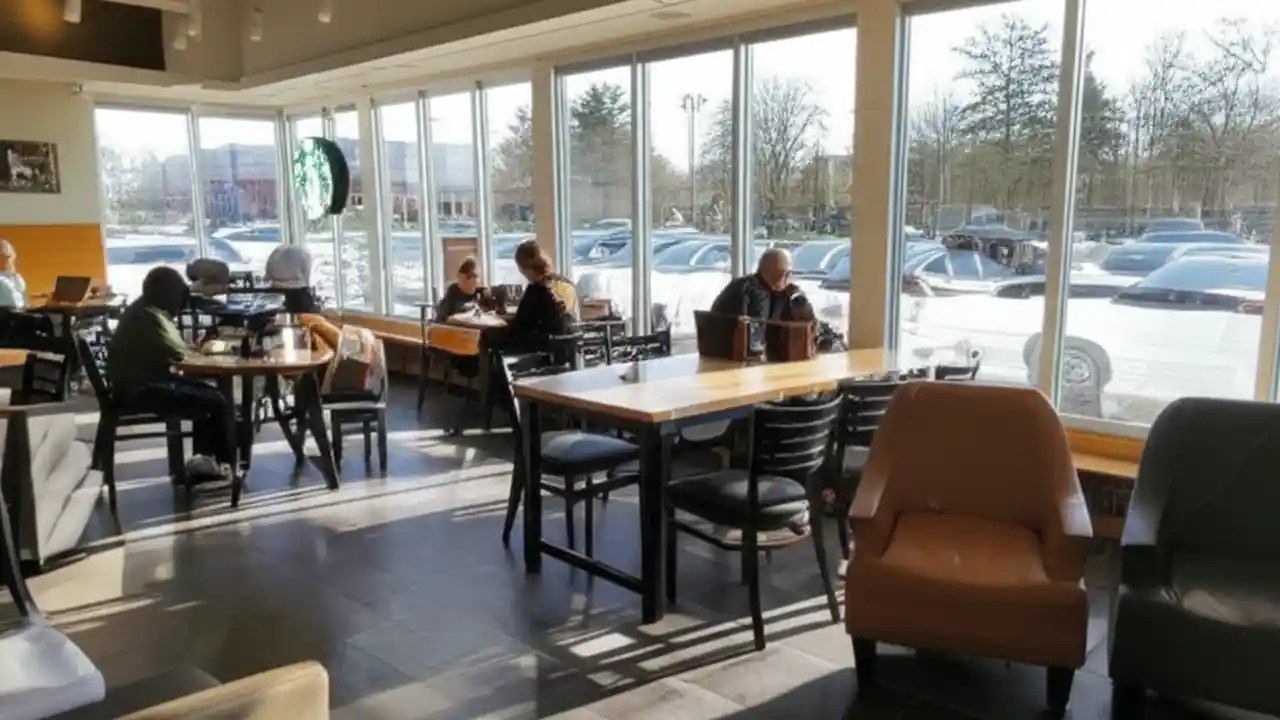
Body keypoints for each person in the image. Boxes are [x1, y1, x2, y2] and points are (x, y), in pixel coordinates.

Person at [107, 266, 234, 480]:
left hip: (135, 384)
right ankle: (226, 464)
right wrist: (218, 347)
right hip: (141, 390)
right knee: (216, 402)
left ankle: (204, 461)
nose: (181, 303)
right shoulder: (151, 318)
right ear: (165, 295)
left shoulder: (143, 310)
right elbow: (184, 356)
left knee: (209, 395)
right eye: (178, 296)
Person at [506, 240, 578, 352]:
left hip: (544, 349)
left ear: (525, 269)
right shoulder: (565, 283)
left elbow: (521, 324)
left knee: (493, 337)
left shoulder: (535, 290)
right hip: (569, 347)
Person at [710, 247, 801, 322]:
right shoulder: (751, 293)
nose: (789, 278)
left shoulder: (742, 285)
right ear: (772, 272)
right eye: (786, 273)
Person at [265, 244, 319, 313]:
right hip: (297, 292)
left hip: (274, 290)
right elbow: (308, 278)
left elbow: (267, 275)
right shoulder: (305, 254)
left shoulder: (277, 251)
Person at [434, 256, 484, 321]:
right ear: (461, 277)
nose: (476, 284)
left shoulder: (479, 292)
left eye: (477, 280)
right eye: (474, 279)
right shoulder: (452, 293)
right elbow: (443, 319)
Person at [0, 239, 28, 309]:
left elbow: (24, 302)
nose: (13, 259)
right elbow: (15, 307)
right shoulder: (2, 283)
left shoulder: (13, 276)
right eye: (9, 256)